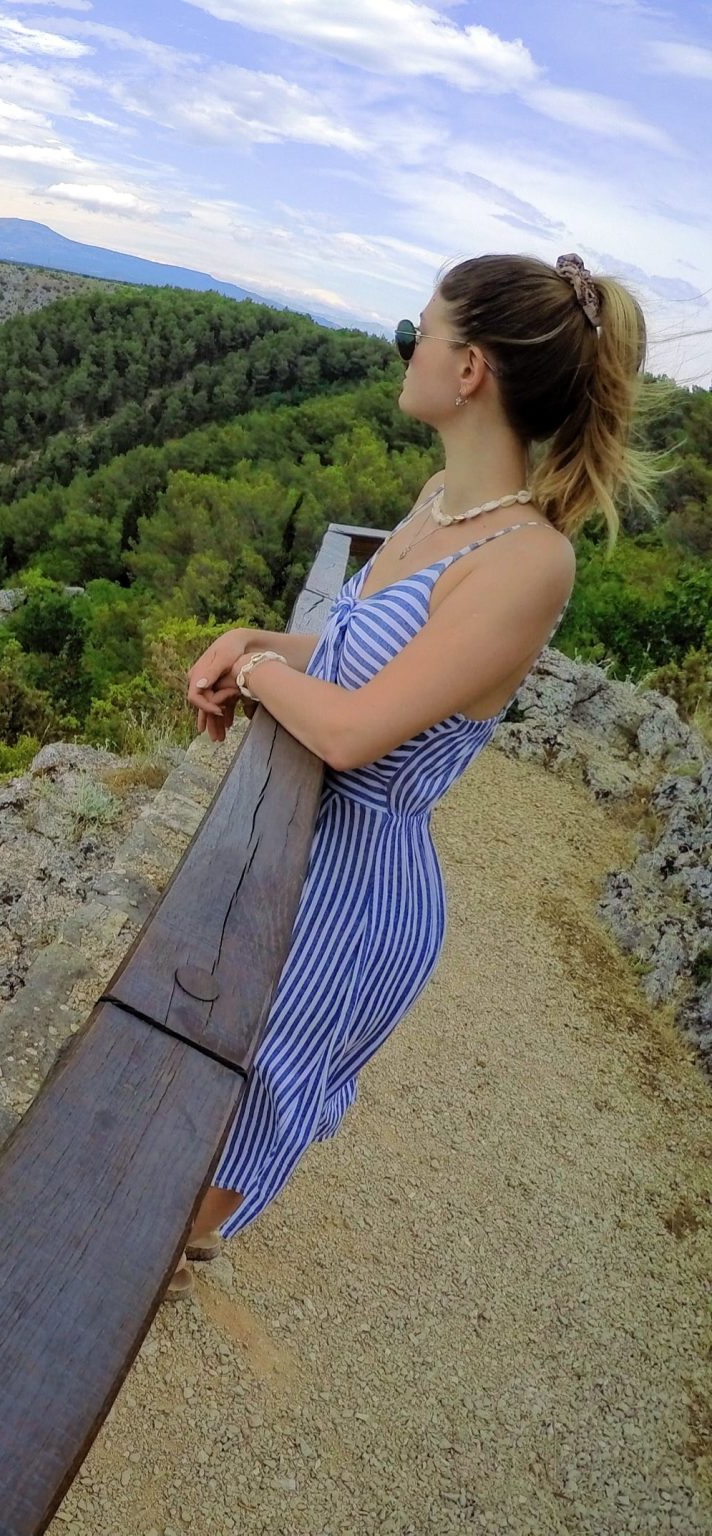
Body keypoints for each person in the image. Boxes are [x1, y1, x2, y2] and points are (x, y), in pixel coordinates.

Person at [170, 252, 663, 1299]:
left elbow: (351, 734)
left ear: (468, 367)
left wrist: (257, 669)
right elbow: (350, 665)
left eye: (415, 332)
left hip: (354, 888)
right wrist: (252, 639)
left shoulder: (526, 560)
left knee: (262, 1088)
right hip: (293, 845)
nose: (405, 351)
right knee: (209, 1061)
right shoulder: (437, 501)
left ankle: (178, 1254)